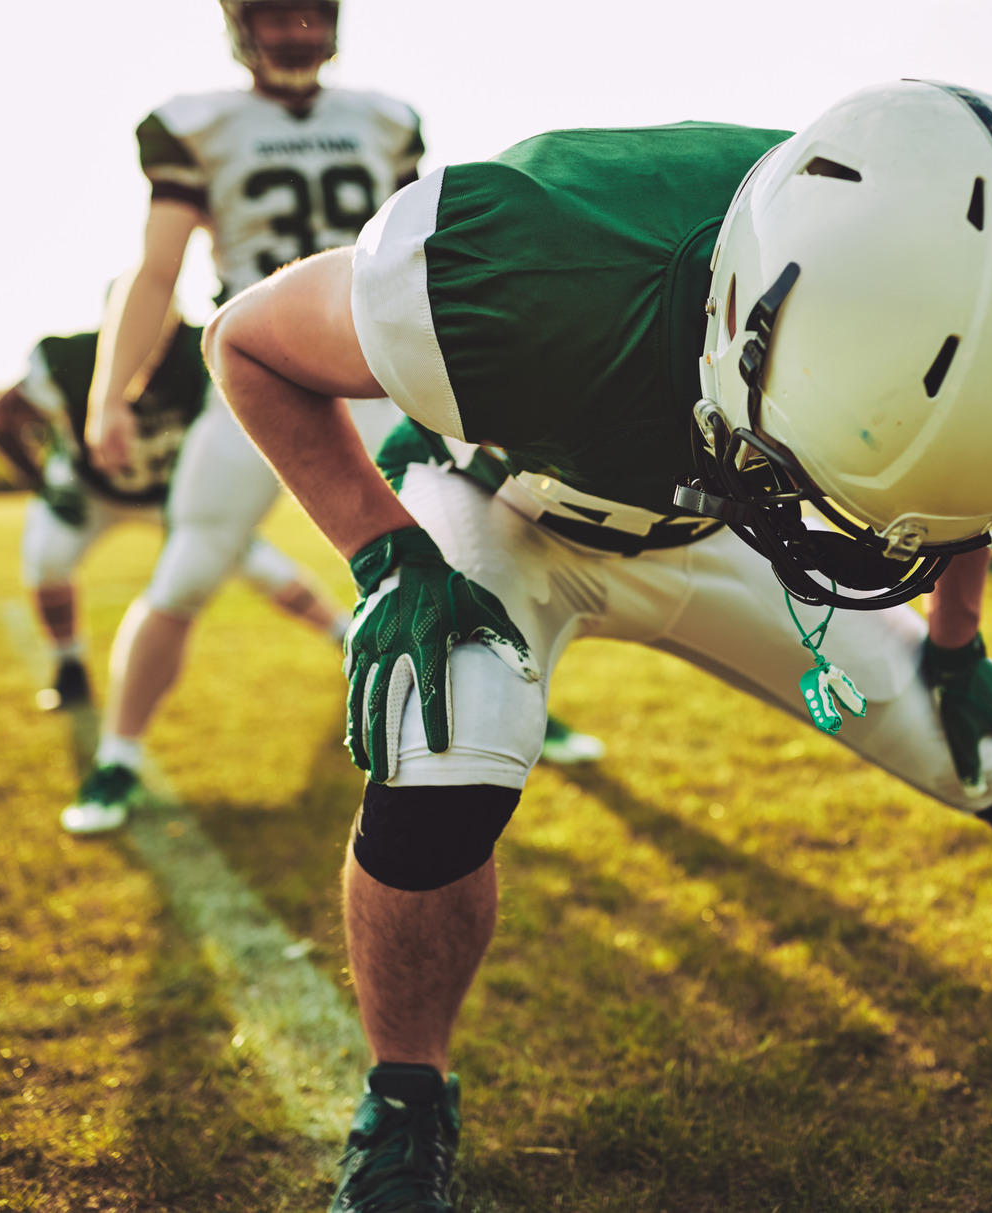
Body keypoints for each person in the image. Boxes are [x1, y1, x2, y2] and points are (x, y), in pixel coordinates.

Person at [204, 82, 992, 1211]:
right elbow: (247, 342)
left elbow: (968, 473)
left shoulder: (953, 279)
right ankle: (407, 1097)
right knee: (454, 721)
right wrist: (384, 553)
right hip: (499, 499)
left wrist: (959, 640)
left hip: (722, 510)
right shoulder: (501, 261)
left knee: (984, 746)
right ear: (752, 328)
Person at [65, 0, 603, 834]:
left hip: (386, 363)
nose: (290, 32)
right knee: (191, 568)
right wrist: (111, 393)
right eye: (273, 16)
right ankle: (119, 754)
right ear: (242, 26)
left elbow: (426, 244)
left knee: (477, 556)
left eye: (304, 14)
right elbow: (156, 269)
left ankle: (515, 710)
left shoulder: (386, 119)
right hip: (261, 370)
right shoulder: (194, 123)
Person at [0, 310, 350, 715]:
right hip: (92, 489)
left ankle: (346, 635)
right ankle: (69, 667)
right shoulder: (73, 359)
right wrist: (41, 482)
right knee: (47, 557)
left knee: (256, 563)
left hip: (172, 492)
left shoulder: (205, 350)